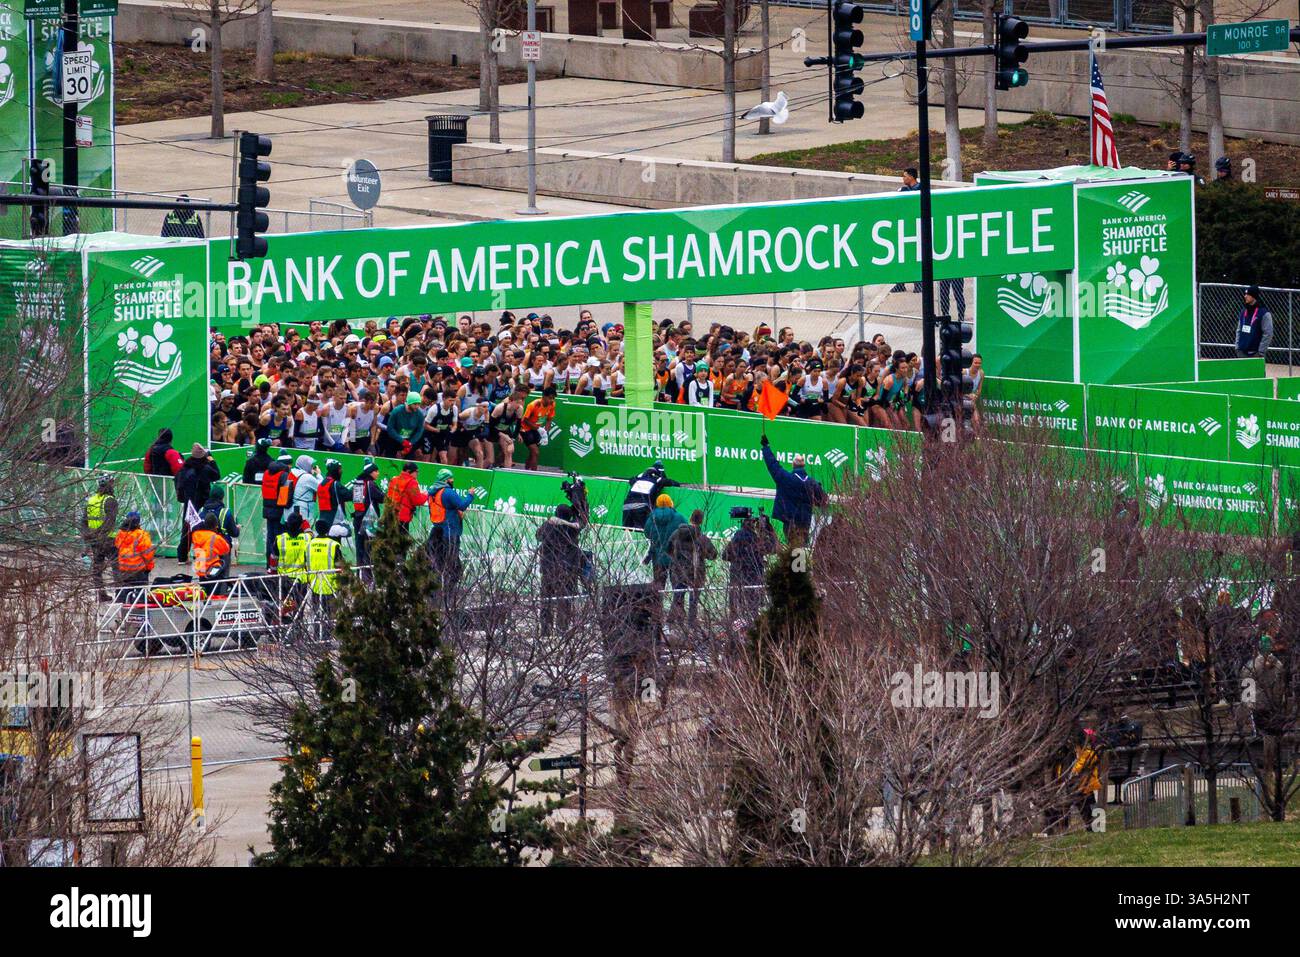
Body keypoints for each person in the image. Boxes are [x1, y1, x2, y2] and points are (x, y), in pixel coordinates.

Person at [760, 434, 823, 547]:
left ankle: (794, 564)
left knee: (792, 549)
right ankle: (799, 564)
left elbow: (772, 464)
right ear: (804, 466)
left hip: (789, 522)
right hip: (805, 523)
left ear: (793, 465)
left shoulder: (786, 479)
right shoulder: (812, 483)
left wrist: (766, 447)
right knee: (801, 549)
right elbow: (823, 501)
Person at [426, 468, 475, 609]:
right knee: (453, 566)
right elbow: (462, 505)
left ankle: (437, 593)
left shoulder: (432, 493)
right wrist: (470, 495)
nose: (453, 481)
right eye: (451, 478)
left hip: (437, 532)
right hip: (450, 532)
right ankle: (447, 595)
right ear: (447, 479)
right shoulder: (447, 492)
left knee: (440, 564)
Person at [536, 503, 585, 634]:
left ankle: (545, 630)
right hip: (567, 571)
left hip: (547, 570)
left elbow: (538, 535)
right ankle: (561, 630)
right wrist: (576, 512)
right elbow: (583, 522)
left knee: (546, 601)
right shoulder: (571, 529)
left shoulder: (547, 526)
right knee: (564, 601)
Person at [724, 508, 777, 626]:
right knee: (752, 610)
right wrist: (769, 528)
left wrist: (738, 558)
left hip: (737, 577)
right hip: (753, 579)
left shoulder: (737, 538)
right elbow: (774, 547)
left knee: (736, 613)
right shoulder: (757, 541)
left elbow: (725, 555)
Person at [667, 508, 716, 631]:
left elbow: (667, 548)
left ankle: (673, 622)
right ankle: (691, 624)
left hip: (678, 571)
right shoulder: (702, 538)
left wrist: (675, 560)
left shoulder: (676, 534)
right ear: (701, 521)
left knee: (678, 596)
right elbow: (714, 555)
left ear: (690, 518)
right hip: (696, 572)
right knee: (693, 599)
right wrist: (703, 554)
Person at [174, 444, 219, 563]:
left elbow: (178, 481)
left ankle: (182, 556)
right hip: (202, 501)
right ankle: (201, 555)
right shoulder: (204, 468)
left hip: (189, 502)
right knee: (203, 528)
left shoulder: (185, 467)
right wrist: (212, 461)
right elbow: (217, 475)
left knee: (187, 528)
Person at [83, 476, 119, 601]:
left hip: (95, 540)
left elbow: (83, 521)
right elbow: (109, 522)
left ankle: (101, 594)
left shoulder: (91, 500)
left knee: (97, 567)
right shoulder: (110, 500)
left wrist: (88, 536)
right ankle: (120, 593)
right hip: (108, 539)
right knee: (116, 566)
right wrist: (99, 534)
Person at [644, 493, 686, 598]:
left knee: (658, 587)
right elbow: (687, 532)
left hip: (657, 557)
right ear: (670, 503)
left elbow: (647, 533)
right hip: (674, 556)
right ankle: (677, 611)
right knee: (677, 588)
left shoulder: (652, 517)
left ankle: (657, 611)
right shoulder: (678, 517)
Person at [889, 168, 922, 293]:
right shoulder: (903, 190)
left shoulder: (920, 189)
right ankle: (900, 283)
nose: (903, 179)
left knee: (916, 256)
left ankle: (918, 283)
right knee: (902, 256)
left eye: (905, 176)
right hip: (904, 227)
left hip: (917, 227)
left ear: (912, 177)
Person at [622, 460, 680, 529]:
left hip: (626, 506)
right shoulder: (657, 479)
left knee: (626, 532)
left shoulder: (638, 479)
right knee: (645, 532)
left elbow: (631, 480)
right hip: (642, 507)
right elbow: (675, 483)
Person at [350, 459, 384, 572]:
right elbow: (382, 498)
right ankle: (368, 577)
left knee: (360, 548)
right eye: (376, 471)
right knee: (369, 549)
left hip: (358, 519)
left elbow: (356, 500)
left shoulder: (357, 482)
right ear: (370, 472)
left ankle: (359, 575)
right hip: (368, 520)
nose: (378, 473)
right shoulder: (371, 484)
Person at [260, 454, 294, 570]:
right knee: (279, 539)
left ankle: (269, 565)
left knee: (270, 538)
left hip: (268, 510)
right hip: (279, 512)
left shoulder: (267, 473)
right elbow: (285, 498)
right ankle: (277, 566)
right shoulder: (284, 475)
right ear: (287, 465)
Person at [305, 520, 348, 611]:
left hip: (314, 584)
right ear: (327, 530)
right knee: (330, 614)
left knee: (317, 613)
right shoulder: (333, 545)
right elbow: (340, 565)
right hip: (331, 585)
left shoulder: (309, 544)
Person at [115, 511, 156, 592]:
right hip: (139, 570)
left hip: (123, 569)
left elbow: (117, 548)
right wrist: (149, 568)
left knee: (124, 593)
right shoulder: (142, 535)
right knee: (140, 595)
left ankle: (121, 603)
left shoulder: (120, 534)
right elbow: (148, 554)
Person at [1072, 728, 1103, 832]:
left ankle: (1094, 826)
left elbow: (1077, 768)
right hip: (1086, 783)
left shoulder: (1087, 753)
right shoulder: (1087, 753)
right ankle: (1094, 825)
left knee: (1085, 804)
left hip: (1085, 783)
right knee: (1088, 804)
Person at [520, 385, 558, 470]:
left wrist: (545, 433)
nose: (551, 400)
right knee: (536, 452)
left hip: (537, 430)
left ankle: (526, 470)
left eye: (553, 398)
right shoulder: (534, 405)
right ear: (544, 396)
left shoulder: (552, 404)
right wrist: (539, 429)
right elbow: (524, 420)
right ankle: (534, 474)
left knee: (533, 453)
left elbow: (549, 419)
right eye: (550, 398)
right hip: (525, 429)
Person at [190, 513, 232, 586]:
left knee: (204, 590)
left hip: (200, 569)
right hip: (212, 569)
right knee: (213, 591)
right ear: (215, 525)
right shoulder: (215, 538)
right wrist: (222, 536)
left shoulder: (196, 535)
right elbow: (226, 549)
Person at [387, 461, 428, 533]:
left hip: (390, 514)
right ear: (409, 471)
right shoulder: (412, 482)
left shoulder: (394, 479)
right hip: (402, 517)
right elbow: (418, 500)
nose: (417, 473)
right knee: (402, 542)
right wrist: (426, 495)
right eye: (416, 471)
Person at [274, 513, 312, 590]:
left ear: (287, 524)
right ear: (301, 525)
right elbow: (310, 533)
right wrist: (305, 522)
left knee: (285, 601)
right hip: (301, 579)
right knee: (300, 601)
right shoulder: (306, 538)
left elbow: (275, 558)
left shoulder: (280, 539)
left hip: (283, 578)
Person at [1235, 286, 1273, 360]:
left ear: (1254, 296)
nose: (1245, 296)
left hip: (1255, 353)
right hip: (1242, 352)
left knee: (1257, 372)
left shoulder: (1264, 313)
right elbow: (1239, 330)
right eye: (1245, 294)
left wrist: (1260, 352)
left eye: (1248, 294)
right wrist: (1237, 347)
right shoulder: (1243, 311)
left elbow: (1268, 333)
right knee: (1243, 372)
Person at [315, 459, 349, 528]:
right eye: (339, 469)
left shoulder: (322, 483)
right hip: (335, 520)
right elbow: (350, 496)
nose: (341, 471)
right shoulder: (335, 484)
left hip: (323, 518)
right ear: (335, 471)